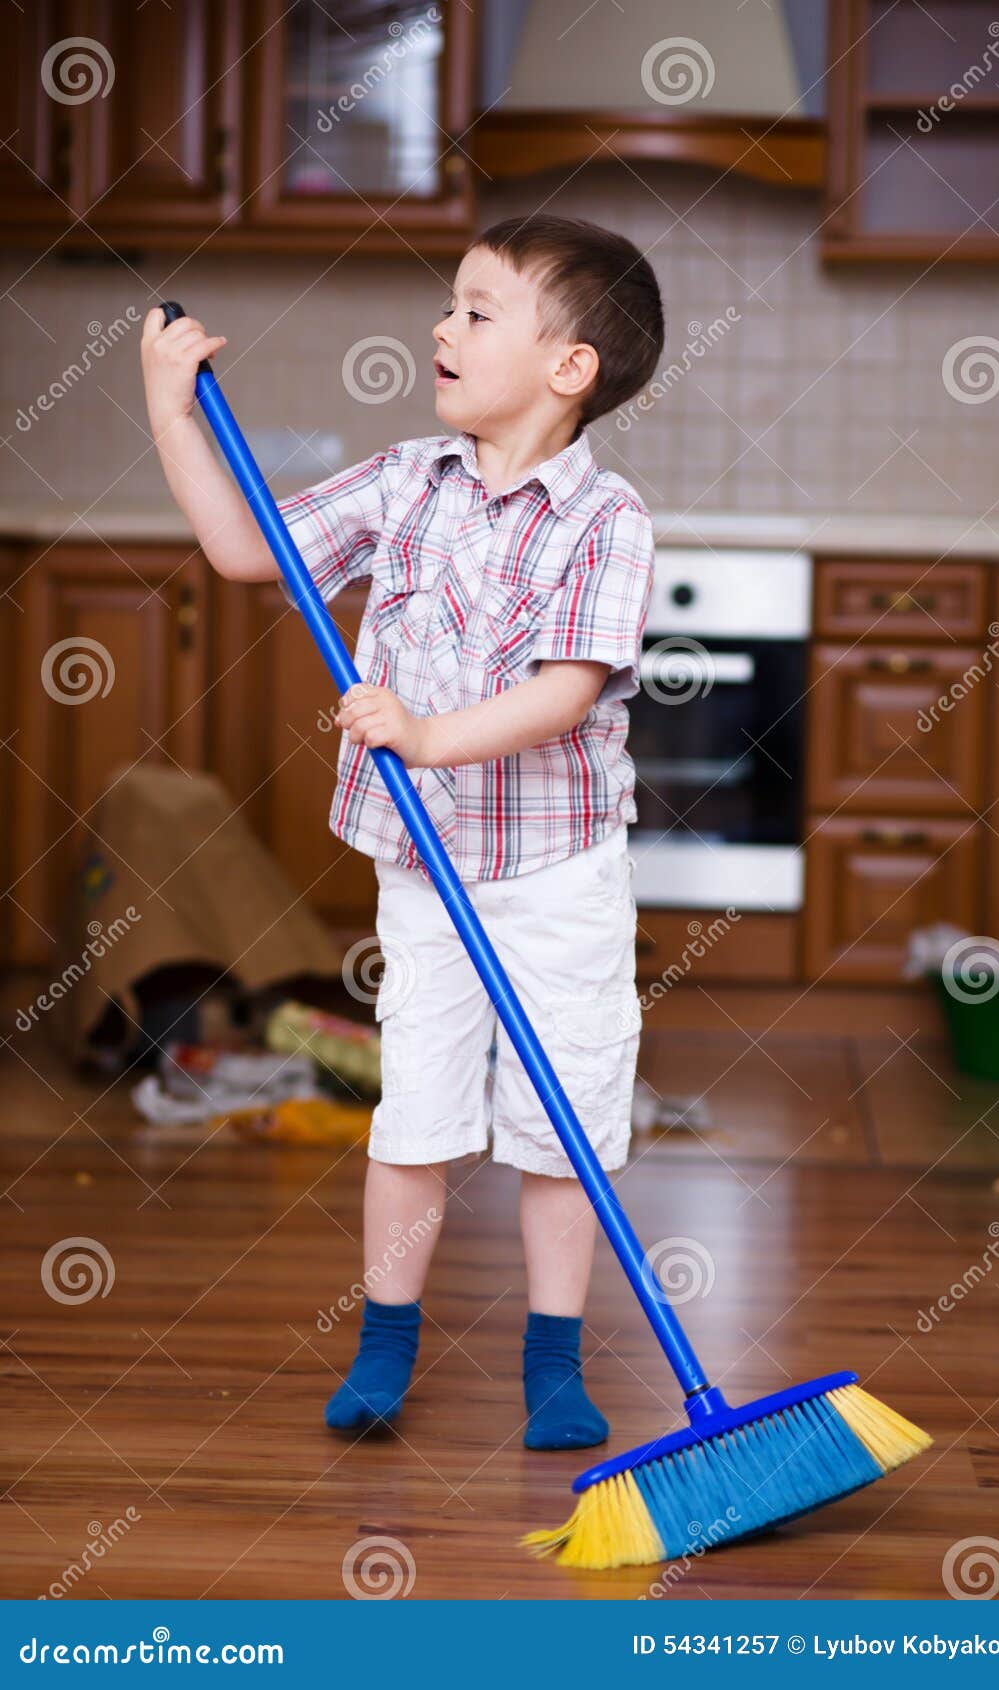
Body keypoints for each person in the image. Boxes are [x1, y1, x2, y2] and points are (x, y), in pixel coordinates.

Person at [141, 215, 663, 1451]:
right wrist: (172, 409)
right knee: (416, 1114)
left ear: (568, 366)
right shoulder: (402, 484)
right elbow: (241, 547)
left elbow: (566, 691)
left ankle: (552, 1363)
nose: (442, 326)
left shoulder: (605, 521)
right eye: (450, 303)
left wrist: (424, 733)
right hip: (427, 875)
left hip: (557, 876)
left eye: (478, 311)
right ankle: (383, 1343)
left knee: (563, 1126)